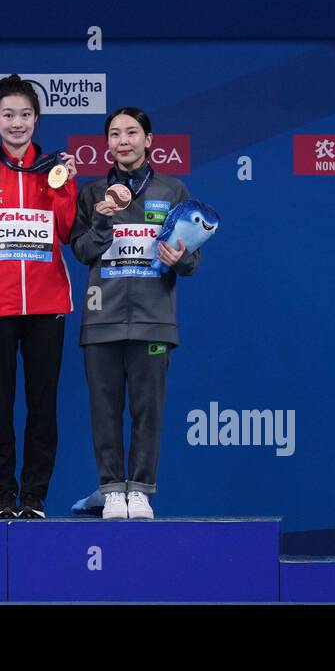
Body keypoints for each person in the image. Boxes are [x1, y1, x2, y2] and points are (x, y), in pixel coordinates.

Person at [69, 107, 201, 520]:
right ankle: (111, 489)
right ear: (106, 143)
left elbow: (191, 262)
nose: (122, 141)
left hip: (153, 320)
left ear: (148, 140)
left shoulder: (173, 191)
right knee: (104, 409)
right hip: (101, 320)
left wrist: (178, 257)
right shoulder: (92, 194)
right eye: (114, 134)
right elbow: (83, 251)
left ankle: (140, 489)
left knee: (148, 408)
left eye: (131, 133)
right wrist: (103, 225)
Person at [0, 75, 78, 520]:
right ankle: (3, 498)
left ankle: (34, 498)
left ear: (36, 119)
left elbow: (67, 231)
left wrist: (61, 187)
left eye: (25, 115)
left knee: (42, 407)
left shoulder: (55, 168)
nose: (17, 123)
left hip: (48, 305)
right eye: (8, 114)